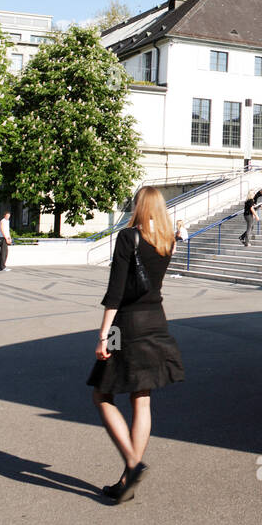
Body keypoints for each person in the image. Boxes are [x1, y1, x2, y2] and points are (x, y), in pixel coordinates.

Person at [87, 185, 184, 503]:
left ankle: (132, 461)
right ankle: (127, 480)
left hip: (124, 325)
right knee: (142, 400)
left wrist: (103, 336)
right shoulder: (166, 241)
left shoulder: (129, 238)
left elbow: (115, 292)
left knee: (102, 393)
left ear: (139, 206)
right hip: (156, 320)